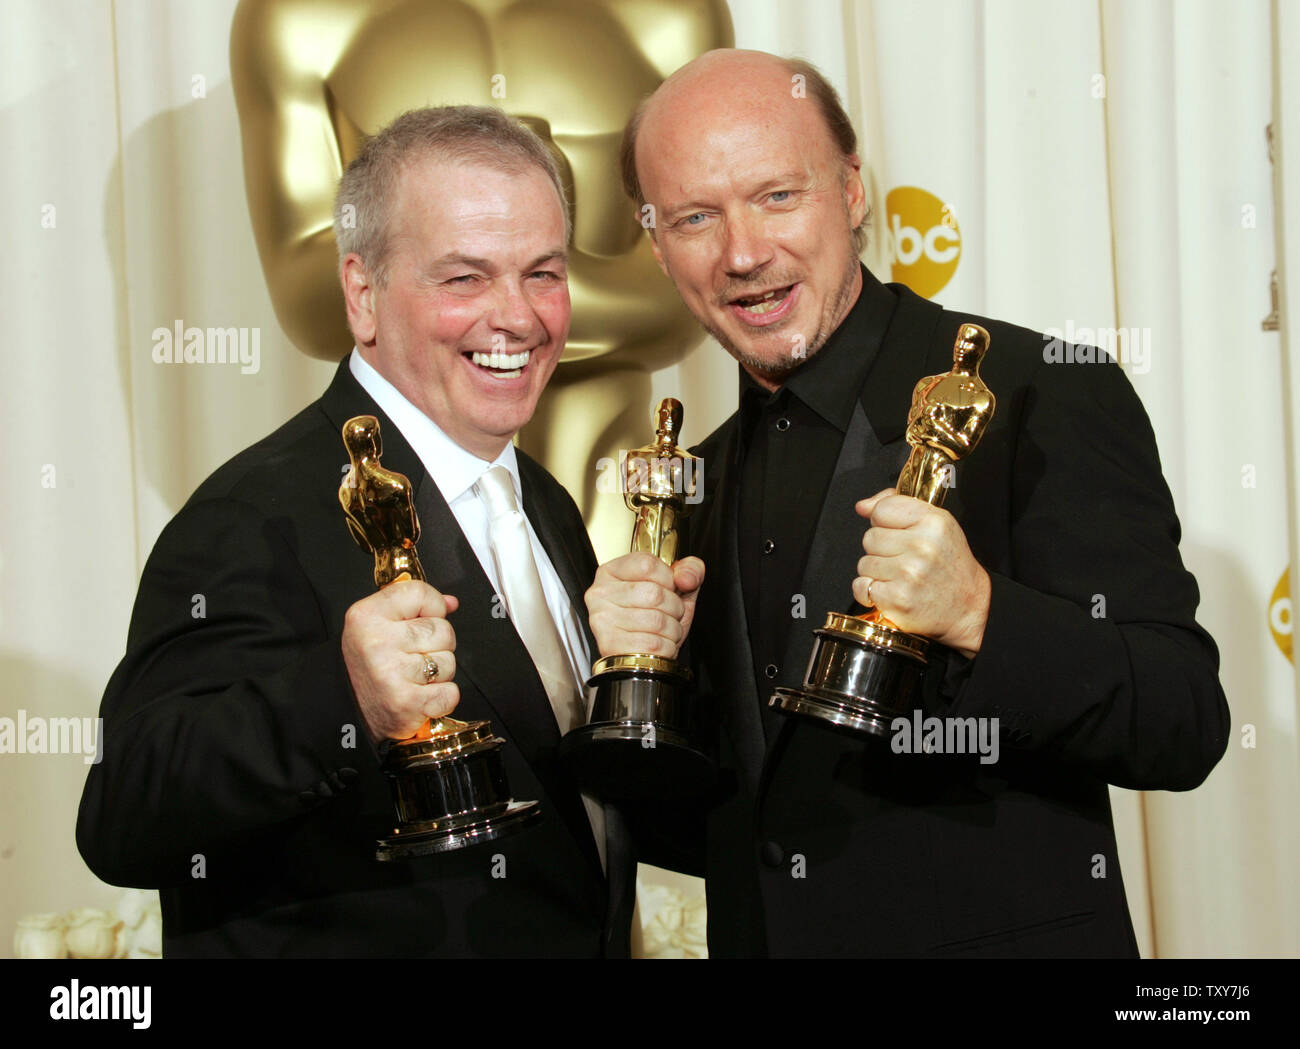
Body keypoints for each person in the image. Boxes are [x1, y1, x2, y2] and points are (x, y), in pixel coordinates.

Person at [588, 49, 1230, 957]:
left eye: (778, 195)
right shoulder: (697, 474)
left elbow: (1184, 719)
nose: (742, 253)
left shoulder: (1037, 390)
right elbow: (731, 833)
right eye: (695, 217)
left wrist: (980, 614)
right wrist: (637, 686)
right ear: (657, 243)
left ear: (852, 190)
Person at [77, 106, 633, 958]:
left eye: (543, 273)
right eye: (464, 279)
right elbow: (122, 816)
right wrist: (341, 702)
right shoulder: (254, 515)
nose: (518, 317)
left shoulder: (547, 504)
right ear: (363, 296)